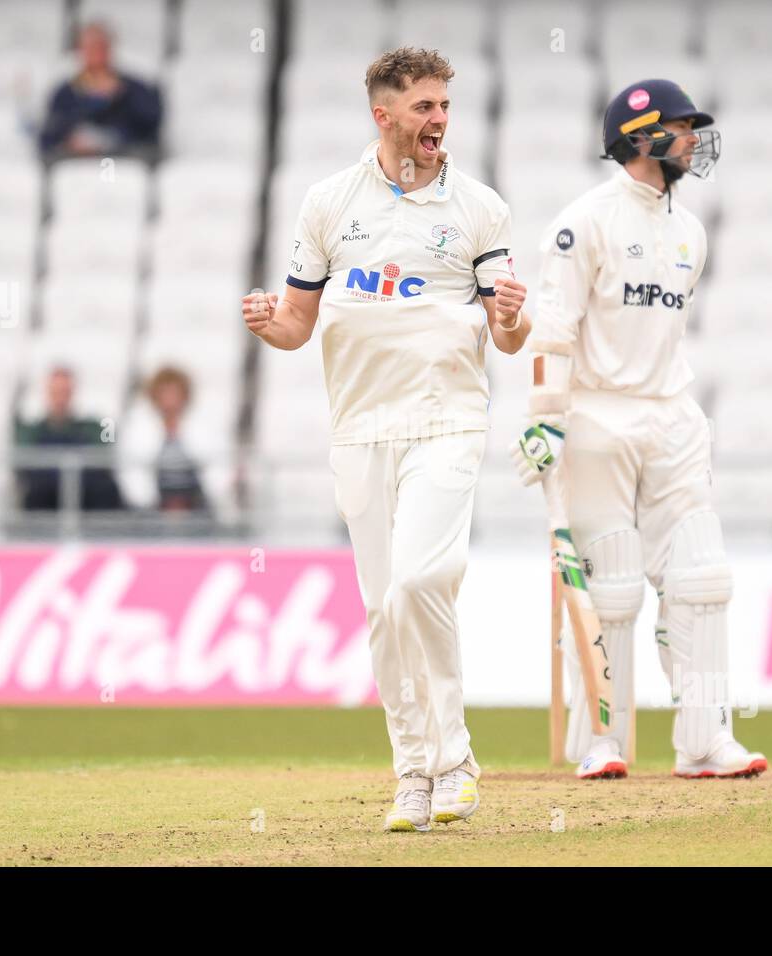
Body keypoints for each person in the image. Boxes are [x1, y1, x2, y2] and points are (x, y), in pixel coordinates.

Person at [242, 48, 530, 833]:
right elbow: (299, 326)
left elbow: (511, 338)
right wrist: (271, 324)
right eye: (425, 108)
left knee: (417, 583)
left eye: (444, 106)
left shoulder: (478, 208)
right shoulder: (330, 204)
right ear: (385, 115)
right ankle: (413, 773)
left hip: (447, 420)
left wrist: (509, 313)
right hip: (360, 428)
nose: (440, 121)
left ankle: (456, 757)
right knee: (380, 608)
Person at [512, 79, 768, 781]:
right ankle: (603, 741)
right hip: (597, 417)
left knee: (702, 579)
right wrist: (546, 420)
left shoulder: (691, 232)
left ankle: (707, 740)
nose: (694, 141)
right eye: (683, 128)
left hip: (673, 415)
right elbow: (554, 329)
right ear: (643, 136)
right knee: (613, 589)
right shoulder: (582, 222)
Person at [38, 20, 162, 161]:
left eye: (100, 47)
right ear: (80, 51)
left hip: (122, 167)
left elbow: (150, 133)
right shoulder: (64, 93)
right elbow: (48, 138)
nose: (96, 54)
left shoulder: (136, 89)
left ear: (110, 49)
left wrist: (118, 98)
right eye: (89, 48)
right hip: (75, 168)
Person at [16, 366, 122, 512]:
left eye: (65, 392)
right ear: (48, 393)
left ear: (72, 393)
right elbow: (26, 471)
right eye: (56, 392)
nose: (60, 398)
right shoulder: (33, 431)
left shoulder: (91, 427)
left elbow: (105, 458)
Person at [117, 366, 213, 517]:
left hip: (193, 498)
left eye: (175, 393)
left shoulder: (203, 427)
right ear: (155, 395)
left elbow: (211, 468)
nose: (170, 399)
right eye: (165, 392)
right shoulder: (138, 428)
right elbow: (133, 474)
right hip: (155, 502)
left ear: (185, 396)